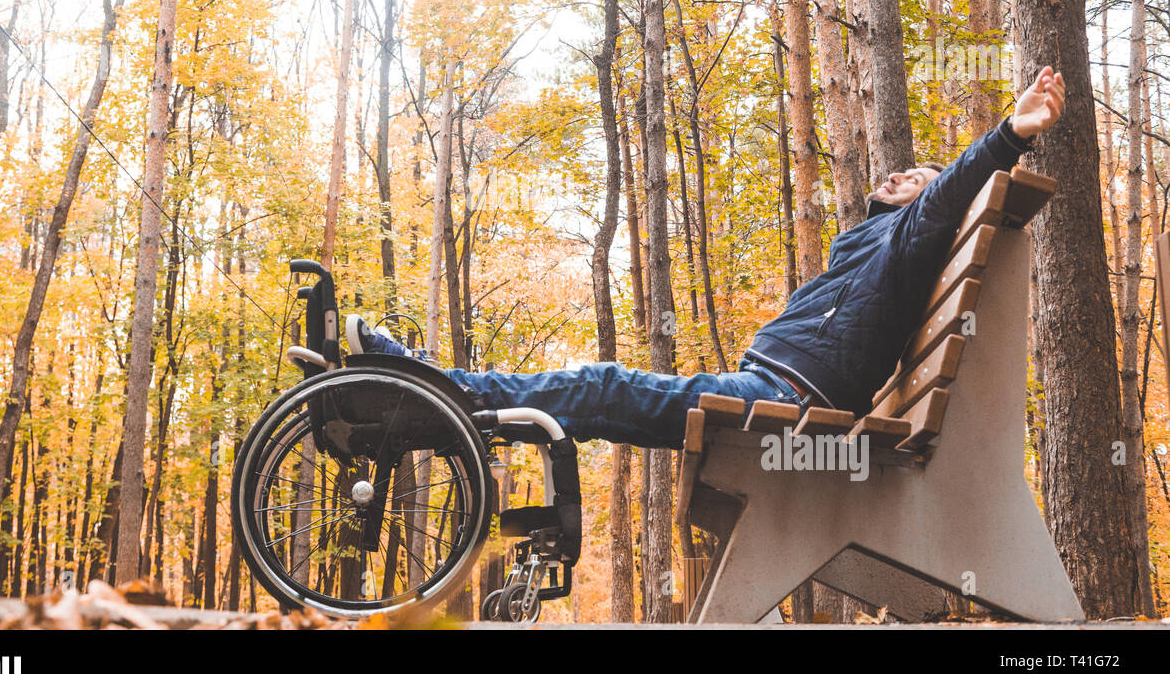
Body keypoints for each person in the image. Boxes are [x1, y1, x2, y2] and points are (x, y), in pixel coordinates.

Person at [346, 66, 1066, 449]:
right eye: (897, 172)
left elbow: (949, 197)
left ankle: (432, 391)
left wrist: (1010, 133)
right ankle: (415, 408)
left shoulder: (907, 241)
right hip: (769, 387)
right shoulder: (866, 243)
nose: (898, 176)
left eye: (915, 177)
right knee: (595, 399)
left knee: (599, 387)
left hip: (788, 404)